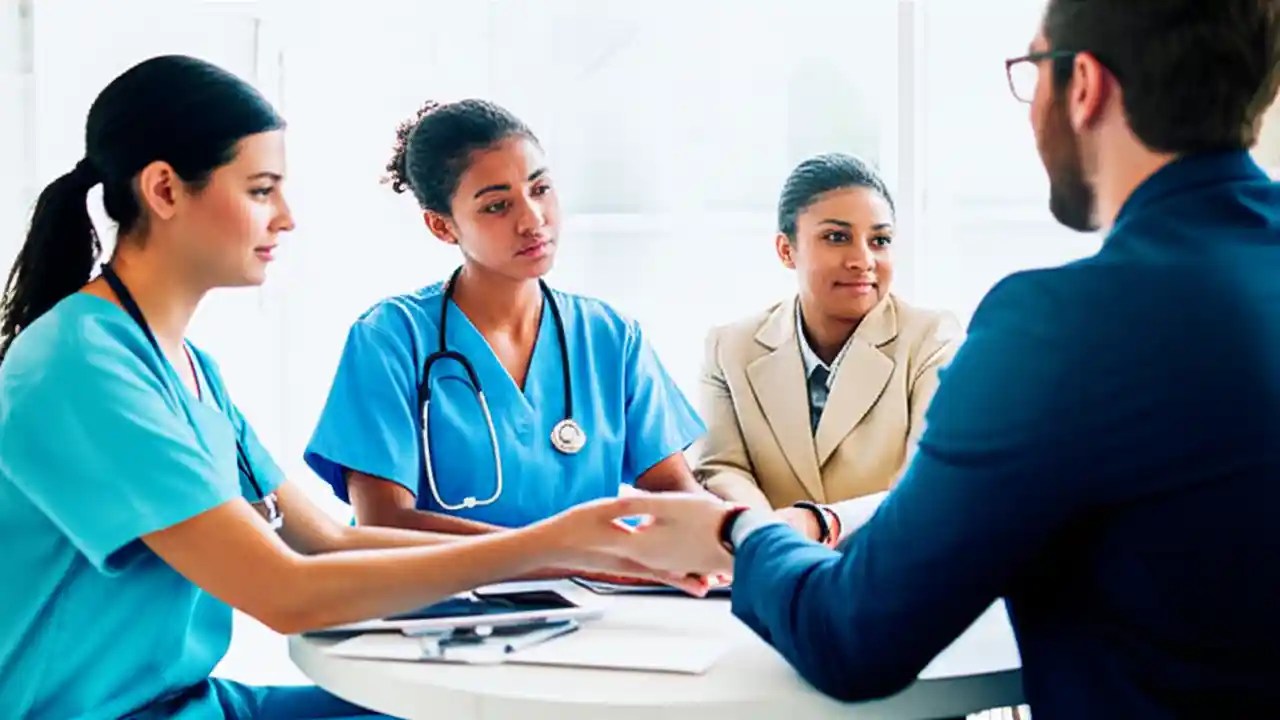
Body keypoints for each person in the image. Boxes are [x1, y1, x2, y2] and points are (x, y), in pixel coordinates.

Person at [607, 0, 1280, 715]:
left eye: (1032, 72)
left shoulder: (1057, 327)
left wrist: (733, 531)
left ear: (1083, 85)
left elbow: (854, 638)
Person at [0, 56, 700, 720]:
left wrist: (580, 557)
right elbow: (285, 592)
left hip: (196, 703)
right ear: (164, 190)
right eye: (260, 190)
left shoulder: (188, 369)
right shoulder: (79, 365)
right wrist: (562, 544)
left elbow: (328, 541)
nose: (287, 217)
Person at [304, 99, 705, 536]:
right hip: (442, 598)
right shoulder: (391, 338)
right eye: (497, 206)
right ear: (443, 227)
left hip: (595, 598)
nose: (533, 220)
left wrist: (747, 533)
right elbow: (384, 521)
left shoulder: (610, 336)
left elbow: (676, 492)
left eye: (540, 189)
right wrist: (562, 553)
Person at [693, 153, 960, 545]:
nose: (863, 260)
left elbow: (929, 483)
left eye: (880, 241)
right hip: (772, 580)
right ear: (787, 250)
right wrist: (771, 540)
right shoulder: (730, 347)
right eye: (837, 237)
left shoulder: (932, 340)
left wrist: (820, 522)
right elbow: (720, 469)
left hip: (891, 572)